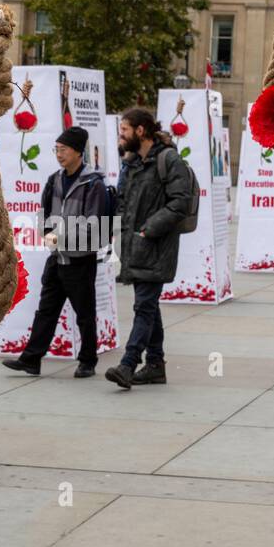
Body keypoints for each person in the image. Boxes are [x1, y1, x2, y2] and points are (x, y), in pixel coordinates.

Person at [3, 127, 109, 378]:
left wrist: (59, 238)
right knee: (46, 309)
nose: (59, 155)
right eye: (57, 149)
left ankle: (88, 361)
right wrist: (48, 235)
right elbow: (43, 215)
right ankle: (31, 359)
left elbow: (95, 227)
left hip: (80, 260)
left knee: (84, 313)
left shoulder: (93, 184)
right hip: (57, 258)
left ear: (78, 152)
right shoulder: (55, 180)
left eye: (64, 150)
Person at [104, 107, 192, 390]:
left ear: (140, 131)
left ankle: (128, 364)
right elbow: (125, 203)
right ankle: (155, 365)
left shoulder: (169, 160)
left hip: (156, 246)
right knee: (149, 306)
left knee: (144, 305)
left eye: (124, 131)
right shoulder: (133, 164)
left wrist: (148, 229)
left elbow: (181, 202)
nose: (121, 136)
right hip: (135, 246)